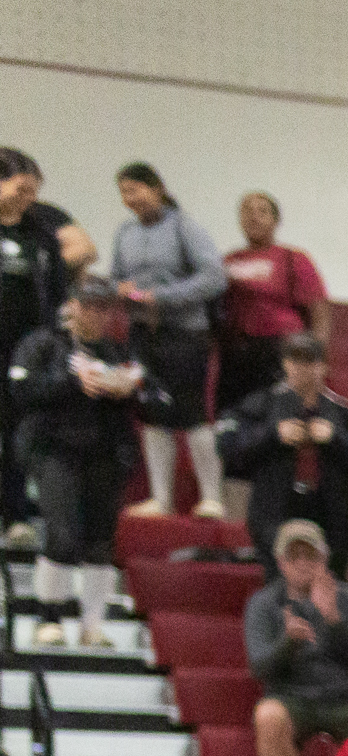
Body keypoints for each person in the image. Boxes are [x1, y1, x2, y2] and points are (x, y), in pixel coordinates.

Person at [12, 276, 168, 648]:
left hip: (106, 455)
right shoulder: (44, 344)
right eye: (89, 306)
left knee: (100, 543)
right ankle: (48, 618)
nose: (96, 315)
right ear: (73, 306)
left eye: (103, 308)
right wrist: (72, 381)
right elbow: (21, 392)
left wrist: (132, 388)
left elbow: (162, 401)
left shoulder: (118, 352)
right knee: (62, 534)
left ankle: (91, 627)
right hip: (54, 451)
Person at [103, 165, 226, 522]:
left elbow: (213, 276)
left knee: (191, 414)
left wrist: (162, 297)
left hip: (185, 333)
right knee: (152, 414)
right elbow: (115, 278)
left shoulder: (184, 226)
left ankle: (212, 498)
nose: (130, 199)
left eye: (135, 189)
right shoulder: (124, 232)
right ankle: (161, 498)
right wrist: (121, 290)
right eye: (123, 192)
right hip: (143, 333)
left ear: (157, 188)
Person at [0, 148, 97, 547]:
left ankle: (15, 516)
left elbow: (57, 286)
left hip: (26, 348)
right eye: (21, 189)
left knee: (17, 430)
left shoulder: (39, 232)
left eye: (33, 191)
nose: (28, 198)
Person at [217, 331, 348, 568]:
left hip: (332, 515)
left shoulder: (343, 413)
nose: (302, 368)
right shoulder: (259, 405)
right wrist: (273, 436)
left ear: (323, 366)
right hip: (275, 512)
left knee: (330, 587)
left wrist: (336, 439)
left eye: (310, 361)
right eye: (295, 360)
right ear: (285, 364)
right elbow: (230, 451)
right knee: (278, 584)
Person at [244, 520, 348, 756]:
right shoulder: (263, 604)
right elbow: (259, 667)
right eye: (294, 556)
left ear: (324, 558)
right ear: (281, 562)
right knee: (268, 716)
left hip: (344, 700)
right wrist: (289, 643)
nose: (302, 562)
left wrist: (333, 621)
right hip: (290, 697)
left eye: (310, 555)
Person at [212, 192, 326, 426]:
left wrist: (317, 359)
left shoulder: (294, 259)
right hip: (237, 356)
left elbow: (319, 312)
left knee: (276, 426)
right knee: (232, 424)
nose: (254, 217)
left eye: (262, 211)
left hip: (279, 354)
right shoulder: (228, 261)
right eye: (247, 212)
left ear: (276, 220)